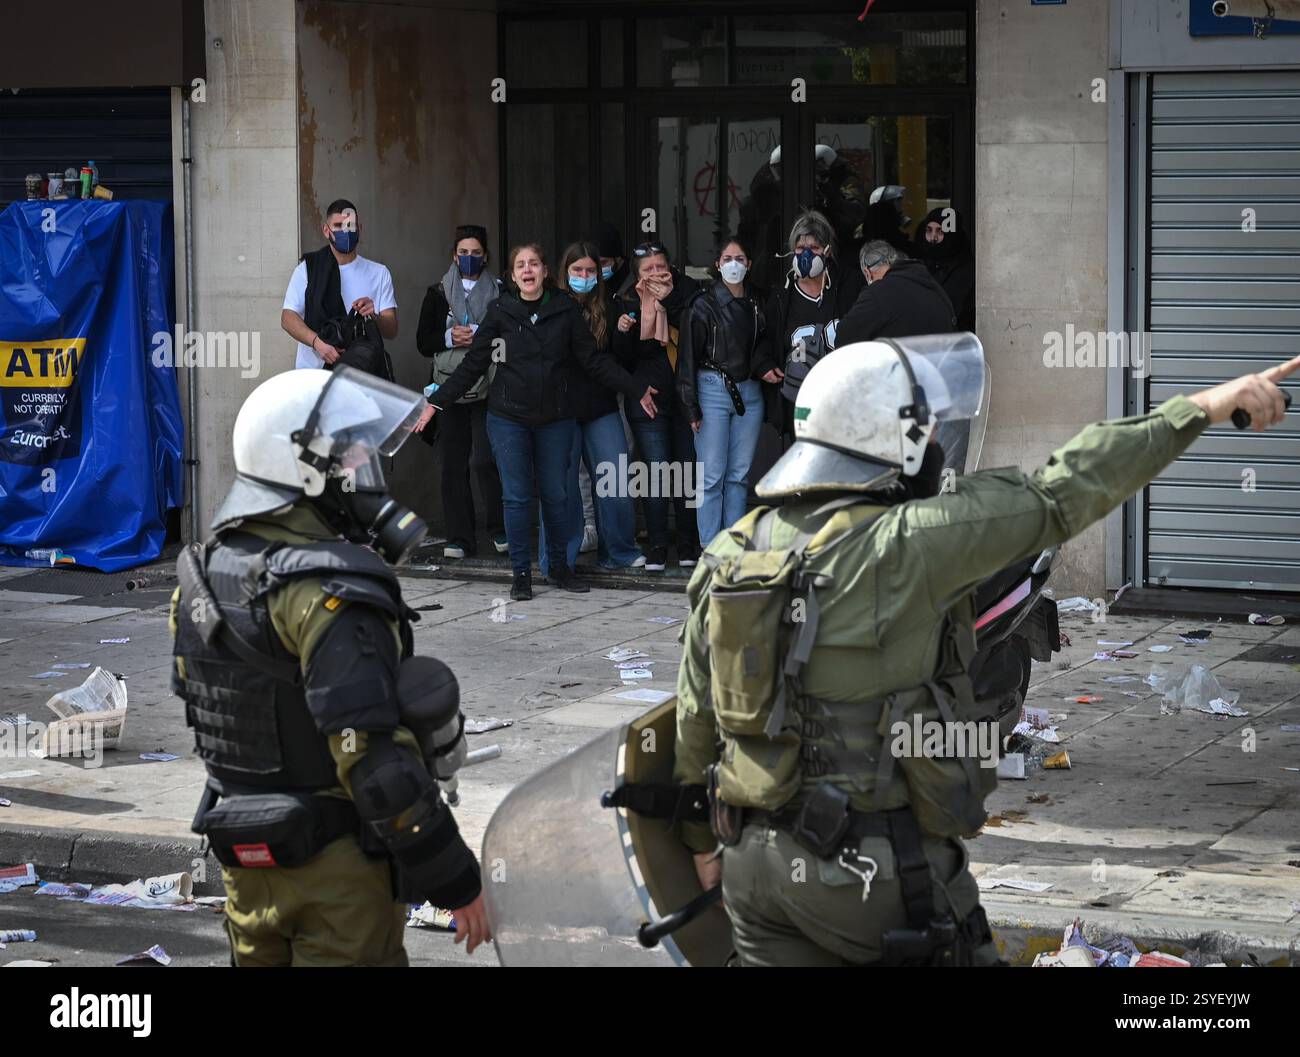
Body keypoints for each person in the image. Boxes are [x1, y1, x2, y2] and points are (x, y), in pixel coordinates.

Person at [673, 335, 1300, 967]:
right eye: (924, 428)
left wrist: (703, 843)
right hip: (869, 873)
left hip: (751, 868)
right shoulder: (907, 545)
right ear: (890, 440)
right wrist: (1204, 406)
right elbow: (1065, 488)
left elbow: (695, 719)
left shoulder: (731, 551)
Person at [170, 366, 490, 966]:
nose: (361, 469)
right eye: (348, 455)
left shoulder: (200, 573)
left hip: (244, 864)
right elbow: (373, 764)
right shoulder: (331, 588)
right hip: (337, 876)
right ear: (303, 468)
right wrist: (457, 883)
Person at [414, 243, 658, 601]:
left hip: (555, 419)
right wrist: (436, 402)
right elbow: (473, 365)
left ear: (545, 271)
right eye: (520, 266)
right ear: (513, 276)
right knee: (516, 497)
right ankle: (521, 574)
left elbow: (592, 361)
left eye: (533, 264)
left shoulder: (564, 310)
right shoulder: (501, 311)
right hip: (508, 418)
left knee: (557, 495)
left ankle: (559, 568)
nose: (527, 270)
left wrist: (636, 388)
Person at [546, 240, 646, 572]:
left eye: (591, 270)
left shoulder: (611, 306)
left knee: (615, 480)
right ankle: (562, 560)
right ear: (565, 272)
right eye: (578, 270)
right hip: (562, 409)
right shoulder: (553, 307)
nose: (585, 276)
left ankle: (619, 551)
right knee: (565, 489)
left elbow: (619, 359)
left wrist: (622, 334)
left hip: (601, 406)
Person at [416, 224, 507, 561]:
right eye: (463, 252)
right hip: (448, 388)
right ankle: (460, 537)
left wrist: (481, 336)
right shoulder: (437, 292)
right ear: (454, 255)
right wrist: (450, 337)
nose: (469, 258)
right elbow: (423, 341)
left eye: (476, 253)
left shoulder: (500, 292)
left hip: (489, 387)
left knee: (486, 459)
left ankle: (499, 529)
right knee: (452, 464)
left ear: (486, 256)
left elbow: (511, 337)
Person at [837, 240, 969, 469]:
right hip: (945, 397)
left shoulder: (879, 292)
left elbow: (844, 337)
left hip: (904, 401)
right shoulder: (932, 286)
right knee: (937, 475)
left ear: (868, 272)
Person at [677, 235, 772, 549]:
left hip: (750, 392)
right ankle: (709, 548)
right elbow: (687, 360)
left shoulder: (759, 300)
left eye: (740, 258)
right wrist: (691, 407)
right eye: (728, 259)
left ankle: (733, 546)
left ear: (749, 264)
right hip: (713, 389)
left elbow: (764, 345)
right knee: (711, 477)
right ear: (717, 265)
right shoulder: (701, 306)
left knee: (738, 476)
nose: (735, 265)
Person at [613, 242, 702, 570]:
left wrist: (670, 300)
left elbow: (697, 331)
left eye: (660, 267)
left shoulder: (688, 292)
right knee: (655, 474)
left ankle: (688, 543)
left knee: (687, 472)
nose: (655, 274)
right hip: (647, 400)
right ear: (637, 275)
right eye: (647, 270)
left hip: (684, 397)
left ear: (671, 267)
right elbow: (622, 359)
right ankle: (658, 545)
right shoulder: (627, 301)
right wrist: (623, 332)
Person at [764, 209, 863, 436]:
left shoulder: (850, 285)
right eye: (800, 249)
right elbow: (766, 338)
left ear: (827, 251)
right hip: (800, 402)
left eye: (814, 249)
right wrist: (764, 363)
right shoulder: (782, 296)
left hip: (843, 399)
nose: (806, 255)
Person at [281, 199, 397, 370]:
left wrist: (373, 315)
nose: (346, 231)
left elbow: (391, 330)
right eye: (338, 225)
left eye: (351, 225)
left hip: (360, 374)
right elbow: (288, 318)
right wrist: (317, 342)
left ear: (360, 229)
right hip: (313, 372)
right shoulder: (308, 269)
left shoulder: (379, 273)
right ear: (326, 230)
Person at [914, 208, 976, 332]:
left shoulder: (968, 273)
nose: (933, 238)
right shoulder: (918, 268)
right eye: (929, 231)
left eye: (940, 231)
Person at [594, 220, 631, 297]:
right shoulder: (590, 279)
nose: (598, 268)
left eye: (603, 263)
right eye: (594, 263)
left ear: (618, 258)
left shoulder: (635, 278)